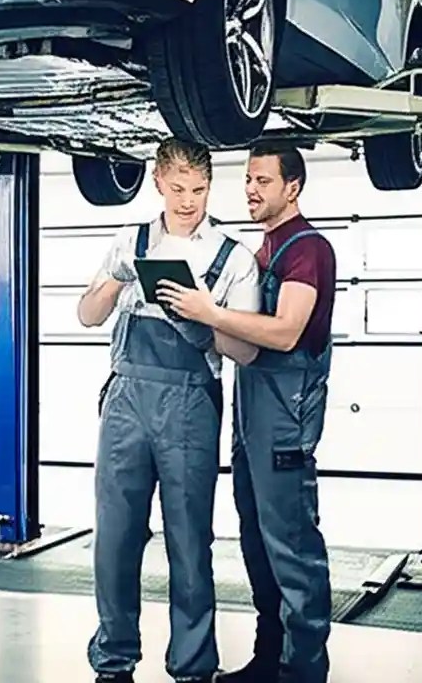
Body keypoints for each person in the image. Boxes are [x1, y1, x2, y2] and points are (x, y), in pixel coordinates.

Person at [78, 137, 261, 683]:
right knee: (115, 535)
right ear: (158, 182)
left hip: (190, 404)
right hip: (126, 400)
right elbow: (87, 315)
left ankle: (193, 665)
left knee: (189, 538)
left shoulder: (233, 257)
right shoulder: (127, 241)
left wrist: (206, 319)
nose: (188, 201)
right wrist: (117, 279)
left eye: (199, 189)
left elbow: (247, 351)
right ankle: (113, 660)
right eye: (178, 188)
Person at [157, 144, 336, 683]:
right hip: (251, 418)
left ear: (293, 188)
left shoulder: (308, 250)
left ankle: (303, 670)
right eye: (248, 180)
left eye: (263, 180)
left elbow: (285, 332)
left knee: (292, 546)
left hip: (285, 420)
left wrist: (211, 311)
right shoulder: (264, 251)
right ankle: (269, 659)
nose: (252, 190)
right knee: (258, 541)